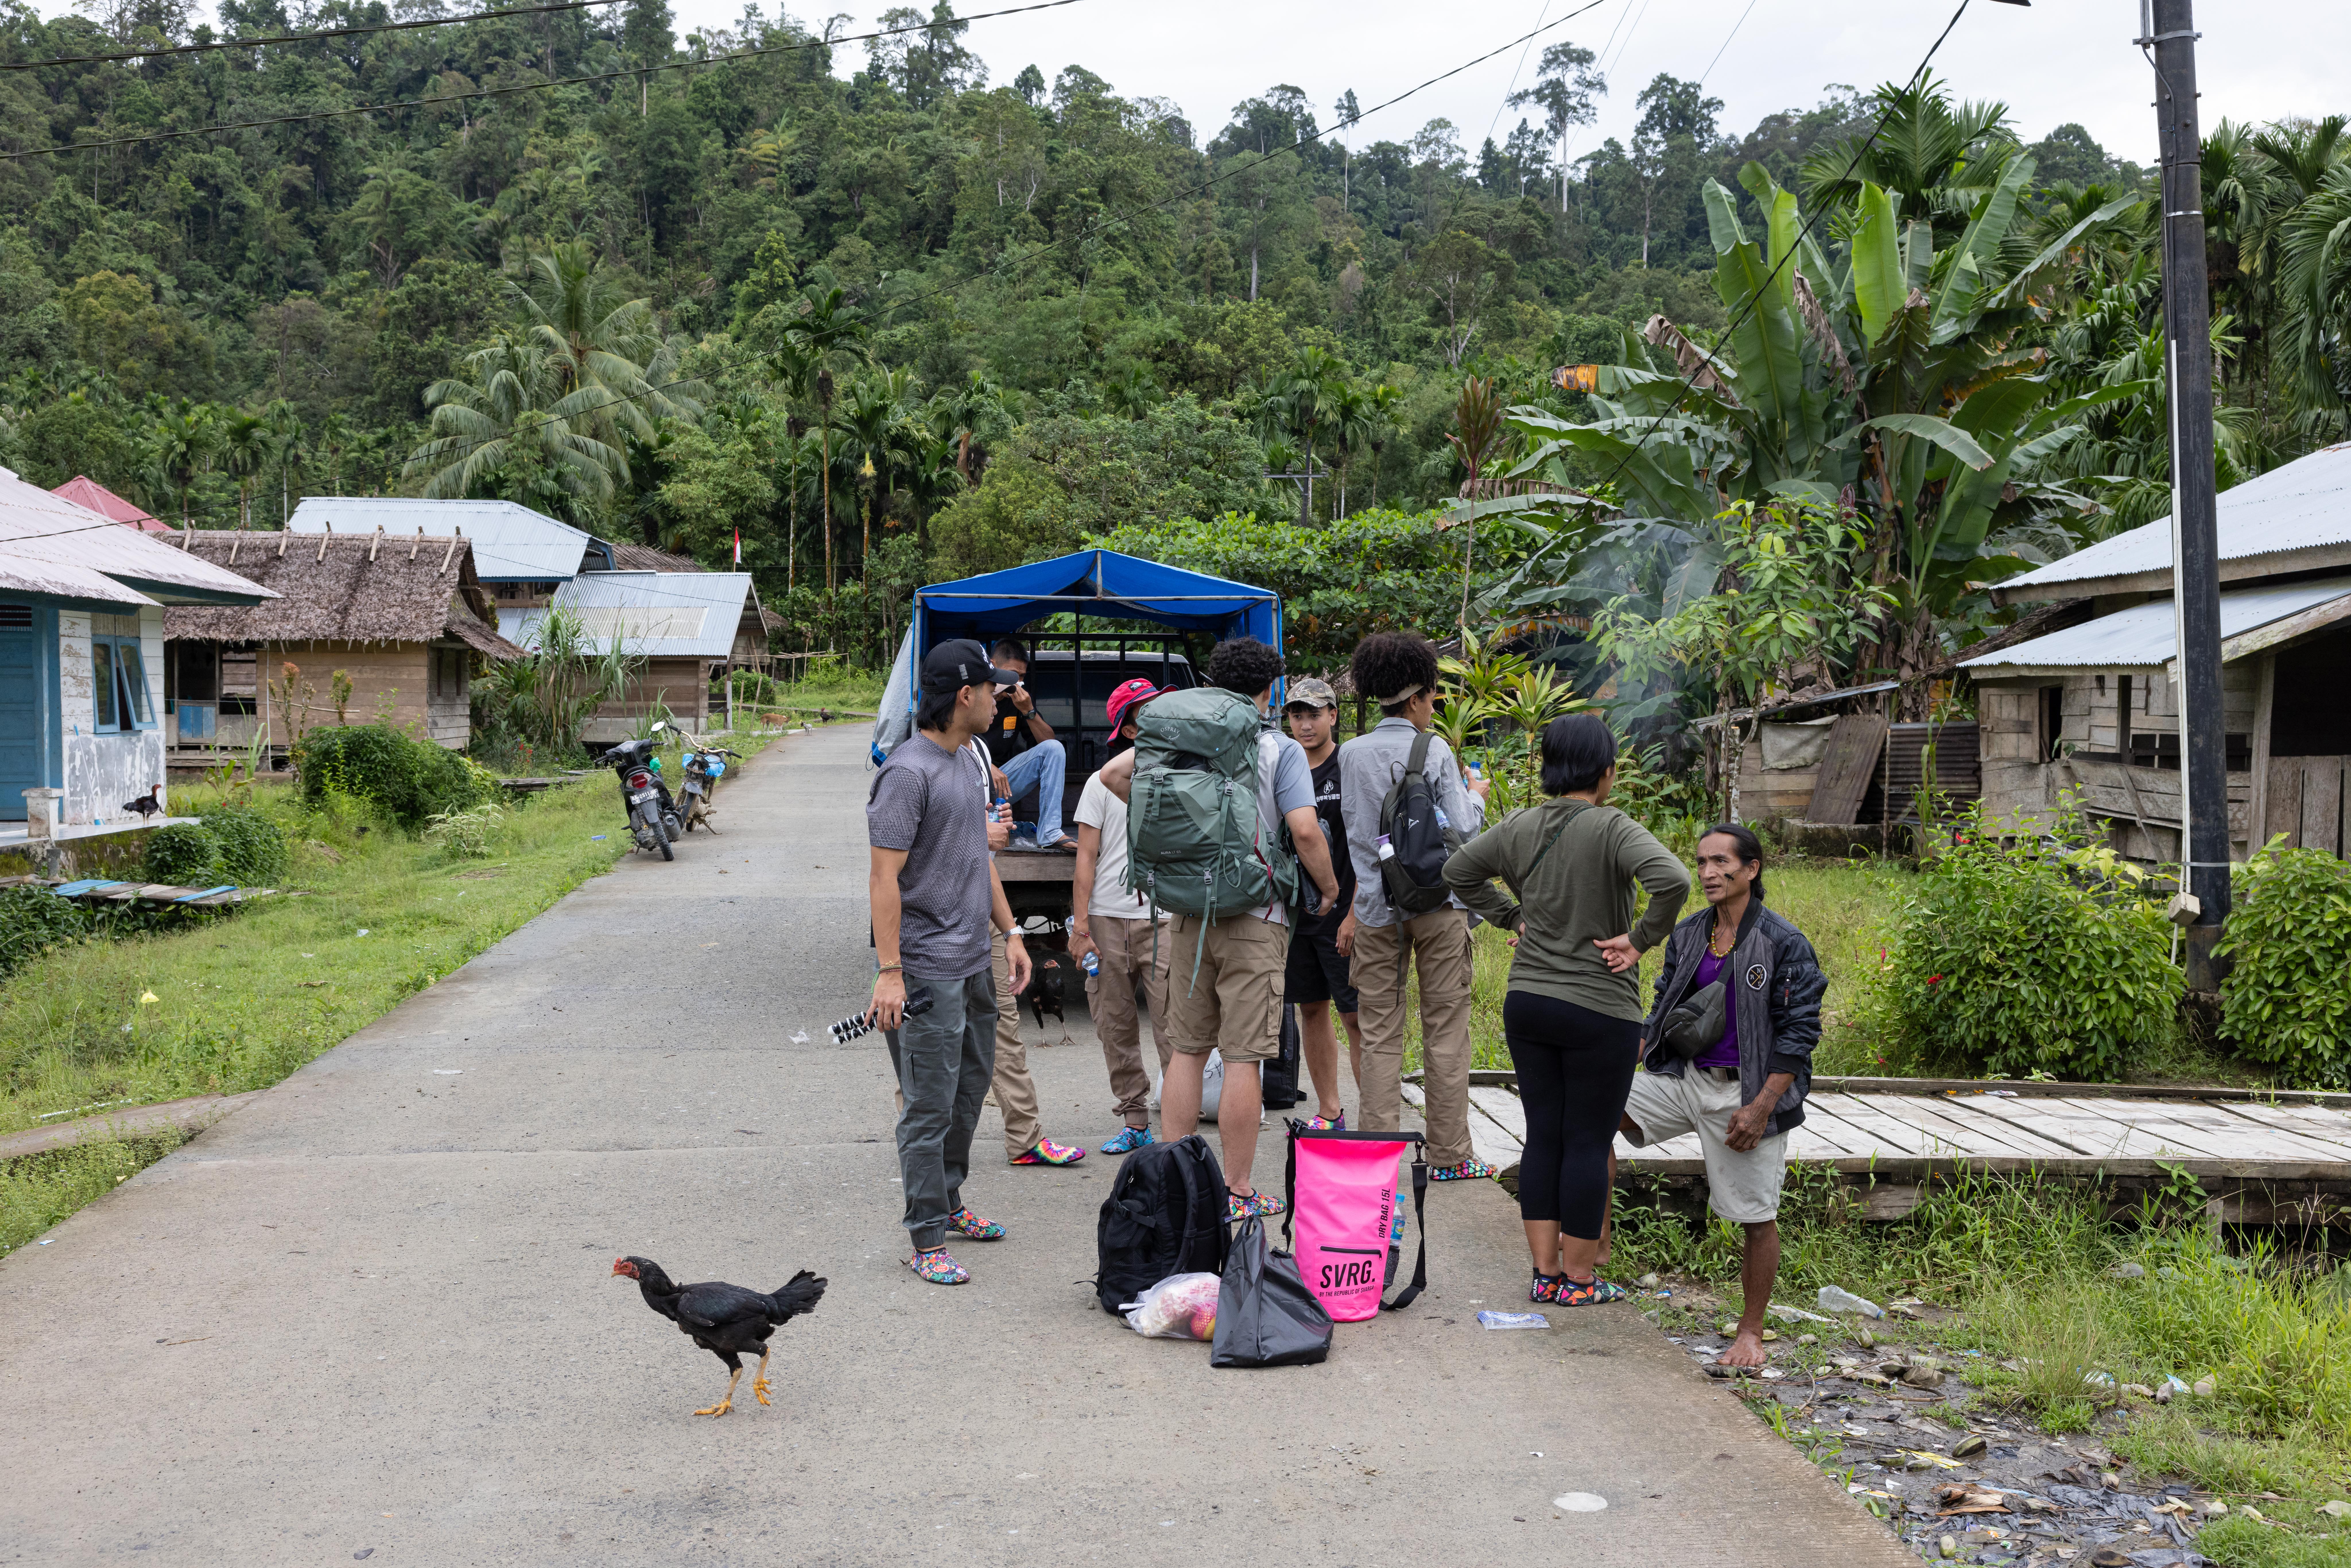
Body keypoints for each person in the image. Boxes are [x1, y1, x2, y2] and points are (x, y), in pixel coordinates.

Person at [1442, 713, 1691, 1305]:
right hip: (1599, 1007)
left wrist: (1511, 917)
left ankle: (1544, 1271)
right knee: (1586, 1138)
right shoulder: (1610, 826)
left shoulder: (1519, 824)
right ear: (1605, 773)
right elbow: (1674, 878)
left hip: (1528, 1001)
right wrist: (1639, 938)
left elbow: (1457, 871)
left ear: (1549, 768)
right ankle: (1580, 1280)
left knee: (1543, 1136)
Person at [1097, 637, 1341, 1219]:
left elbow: (1112, 774)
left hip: (1187, 913)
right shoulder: (1277, 747)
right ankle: (1234, 1190)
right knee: (1242, 1058)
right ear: (1268, 690)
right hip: (1257, 917)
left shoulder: (1176, 740)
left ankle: (1175, 1184)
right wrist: (1328, 888)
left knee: (1184, 1050)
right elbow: (1305, 831)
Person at [866, 639, 1035, 1287]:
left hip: (973, 960)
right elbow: (884, 877)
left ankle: (952, 1201)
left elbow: (979, 858)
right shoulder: (908, 773)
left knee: (968, 1093)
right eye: (992, 689)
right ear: (965, 696)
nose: (1000, 699)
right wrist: (890, 971)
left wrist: (1012, 930)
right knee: (929, 1105)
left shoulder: (966, 762)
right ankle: (927, 1235)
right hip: (925, 969)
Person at [1625, 823, 1823, 1365]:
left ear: (1751, 868)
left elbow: (1799, 1035)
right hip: (1684, 1077)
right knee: (1596, 1109)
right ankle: (1591, 1259)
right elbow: (1663, 1004)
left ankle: (1750, 1332)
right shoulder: (1690, 932)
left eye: (1721, 862)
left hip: (1747, 1091)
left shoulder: (1784, 942)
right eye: (1702, 863)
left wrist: (1762, 1107)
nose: (1708, 873)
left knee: (1756, 1217)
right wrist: (1630, 1057)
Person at [1337, 632, 1494, 1182]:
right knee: (1446, 1028)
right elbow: (1465, 828)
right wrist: (1478, 793)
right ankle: (1450, 1155)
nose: (1434, 708)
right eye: (1431, 697)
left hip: (1378, 908)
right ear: (1413, 698)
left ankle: (1375, 1157)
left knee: (1380, 1033)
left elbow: (1356, 834)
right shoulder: (1438, 750)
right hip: (1440, 902)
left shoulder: (1349, 754)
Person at [1070, 678, 1172, 1154]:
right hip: (1108, 919)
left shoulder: (1181, 775)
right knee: (1115, 1023)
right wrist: (1081, 926)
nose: (1157, 716)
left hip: (1166, 918)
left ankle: (1178, 1129)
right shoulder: (1100, 782)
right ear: (1128, 730)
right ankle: (1135, 1119)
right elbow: (1085, 858)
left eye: (1159, 707)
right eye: (1145, 712)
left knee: (1177, 1025)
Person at [1281, 676, 1359, 1130]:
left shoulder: (1348, 768)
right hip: (1297, 917)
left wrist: (1354, 913)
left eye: (1314, 714)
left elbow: (1372, 847)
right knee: (1311, 1009)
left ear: (1334, 715)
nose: (1306, 724)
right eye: (1297, 715)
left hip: (1345, 914)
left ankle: (1376, 1117)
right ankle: (1331, 1112)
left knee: (1355, 1017)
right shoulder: (1282, 765)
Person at [983, 636, 1072, 851]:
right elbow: (955, 740)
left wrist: (1028, 711)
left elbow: (1049, 744)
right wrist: (986, 766)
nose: (1017, 682)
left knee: (1054, 748)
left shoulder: (1017, 699)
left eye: (1021, 677)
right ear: (993, 666)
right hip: (969, 780)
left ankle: (1050, 832)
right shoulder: (978, 693)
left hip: (1001, 785)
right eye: (1012, 675)